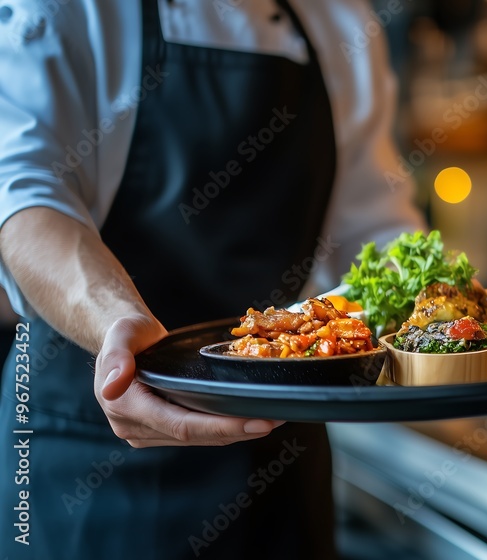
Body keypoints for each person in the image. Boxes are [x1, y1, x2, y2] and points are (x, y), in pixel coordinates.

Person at [0, 2, 422, 558]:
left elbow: (376, 226)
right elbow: (23, 190)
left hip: (278, 447)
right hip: (93, 441)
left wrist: (431, 318)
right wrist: (119, 325)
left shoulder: (340, 18)